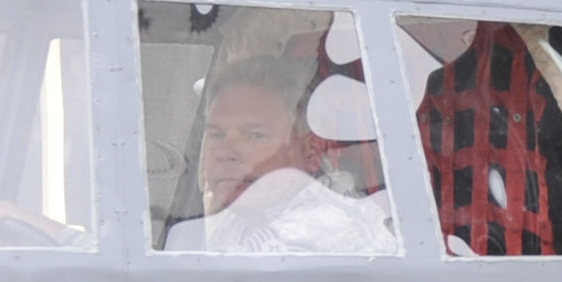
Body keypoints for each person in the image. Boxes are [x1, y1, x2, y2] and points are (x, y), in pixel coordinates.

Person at [167, 62, 394, 255]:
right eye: (217, 135)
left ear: (310, 152)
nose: (226, 153)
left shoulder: (315, 234)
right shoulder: (247, 214)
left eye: (255, 135)